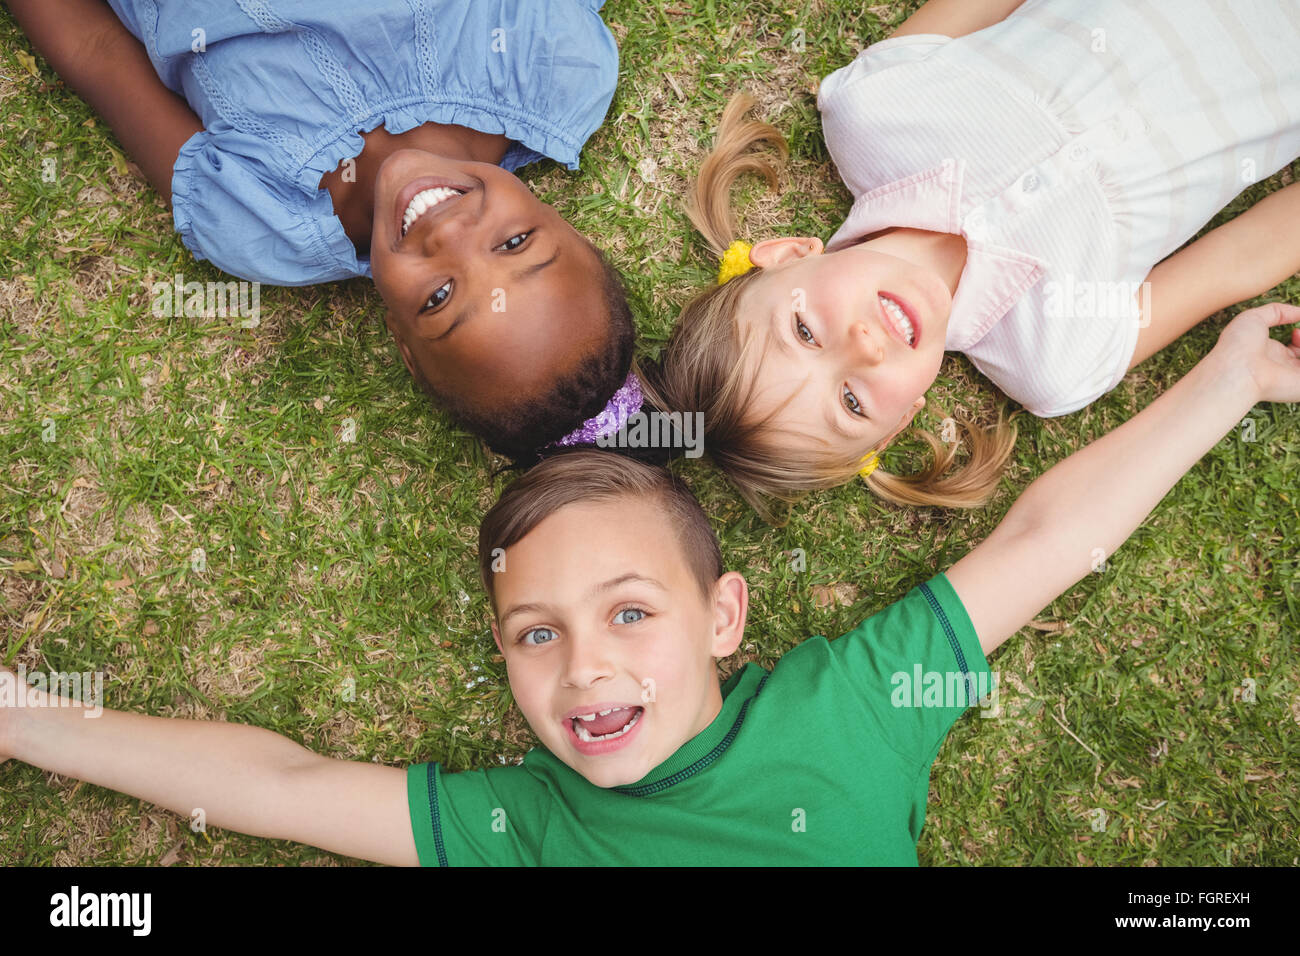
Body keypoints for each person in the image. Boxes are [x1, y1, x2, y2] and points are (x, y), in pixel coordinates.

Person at [4, 302, 1296, 864]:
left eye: (631, 612)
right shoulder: (532, 824)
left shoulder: (851, 709)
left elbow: (1040, 545)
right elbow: (277, 787)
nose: (587, 669)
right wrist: (25, 719)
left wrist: (1228, 379)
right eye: (534, 635)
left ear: (724, 616)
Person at [641, 0, 1300, 515]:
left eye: (804, 332)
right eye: (850, 401)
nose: (865, 347)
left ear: (786, 254)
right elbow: (1240, 259)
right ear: (902, 421)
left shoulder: (869, 111)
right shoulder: (1055, 360)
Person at [8, 0, 636, 460]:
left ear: (402, 344)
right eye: (514, 243)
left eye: (440, 297)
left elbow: (97, 54)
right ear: (572, 228)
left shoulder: (263, 219)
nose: (451, 237)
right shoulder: (550, 63)